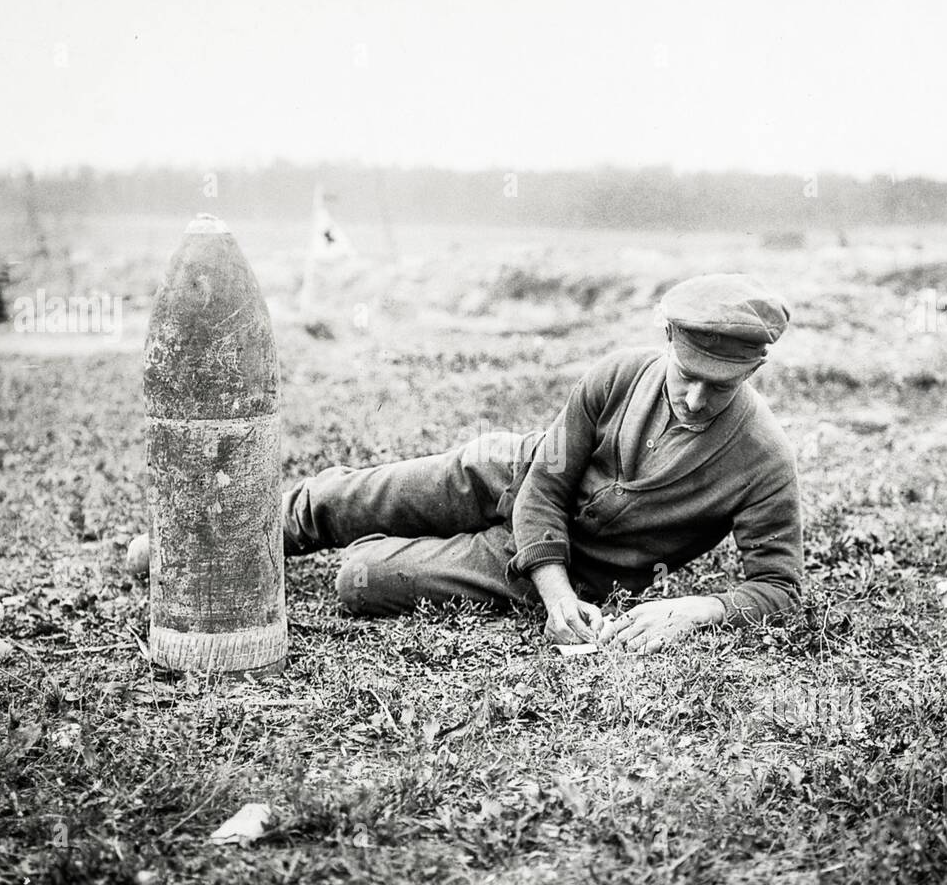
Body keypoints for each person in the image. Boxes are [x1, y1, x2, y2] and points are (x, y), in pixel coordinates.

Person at [276, 272, 803, 654]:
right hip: (503, 474)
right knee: (339, 501)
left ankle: (389, 546)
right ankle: (240, 545)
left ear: (754, 369)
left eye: (720, 385)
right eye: (687, 373)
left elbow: (779, 588)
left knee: (360, 578)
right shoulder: (617, 373)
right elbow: (546, 486)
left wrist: (699, 609)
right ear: (668, 338)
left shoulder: (765, 460)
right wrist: (555, 598)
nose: (694, 399)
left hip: (565, 565)